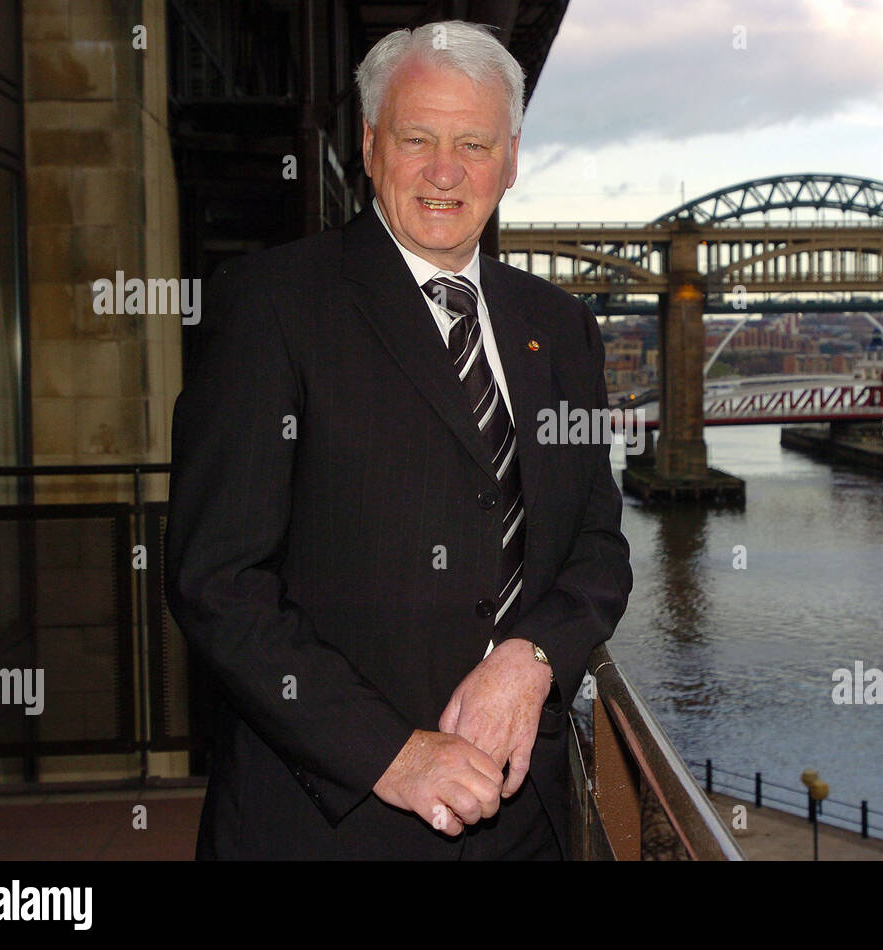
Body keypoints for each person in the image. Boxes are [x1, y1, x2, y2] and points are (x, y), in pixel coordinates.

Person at [164, 19, 632, 860]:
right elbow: (217, 581)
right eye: (417, 139)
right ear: (373, 145)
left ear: (512, 159)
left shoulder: (561, 329)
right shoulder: (271, 305)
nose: (446, 172)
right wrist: (390, 753)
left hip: (526, 822)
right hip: (331, 824)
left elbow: (598, 545)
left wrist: (533, 657)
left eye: (474, 144)